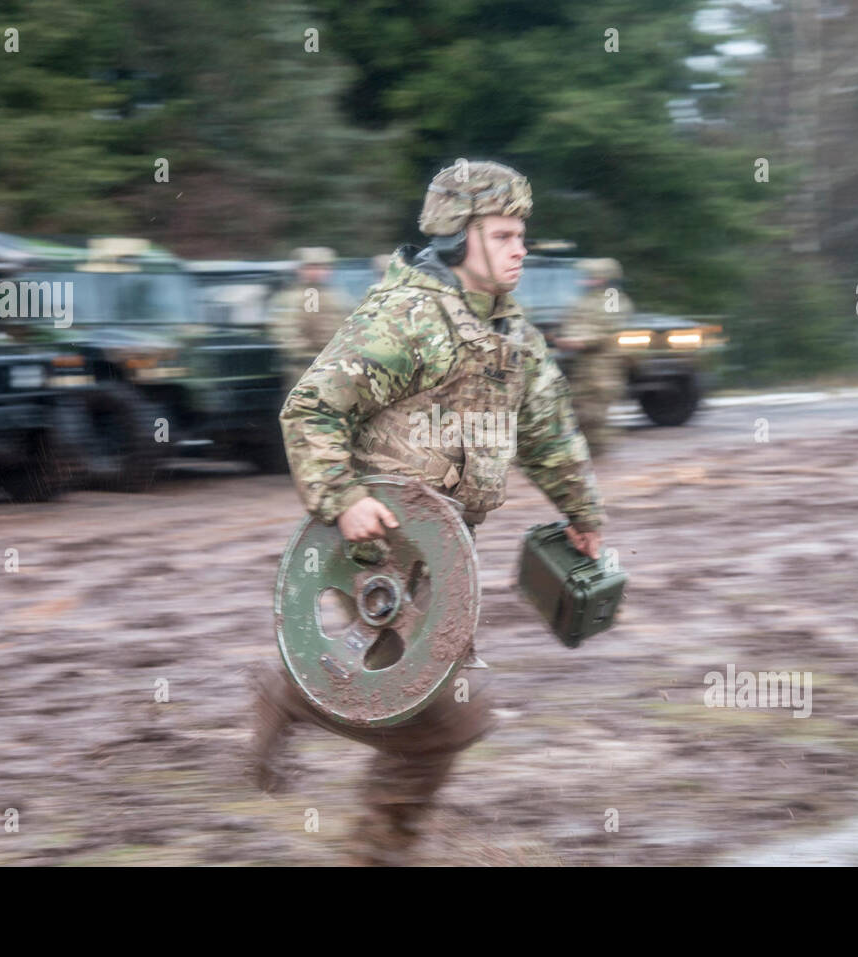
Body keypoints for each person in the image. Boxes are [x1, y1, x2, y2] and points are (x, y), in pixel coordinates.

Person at [247, 159, 606, 865]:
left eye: (521, 234)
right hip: (377, 545)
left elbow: (548, 430)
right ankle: (291, 699)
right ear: (455, 239)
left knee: (440, 710)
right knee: (449, 710)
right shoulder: (407, 318)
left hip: (447, 553)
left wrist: (581, 510)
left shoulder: (514, 336)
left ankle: (378, 843)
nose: (519, 247)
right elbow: (312, 407)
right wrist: (342, 498)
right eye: (503, 234)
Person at [555, 258, 631, 456]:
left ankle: (599, 453)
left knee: (595, 414)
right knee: (578, 410)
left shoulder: (612, 297)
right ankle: (586, 453)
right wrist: (565, 339)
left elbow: (611, 329)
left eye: (591, 276)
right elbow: (571, 323)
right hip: (581, 365)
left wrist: (583, 342)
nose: (585, 280)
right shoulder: (583, 299)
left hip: (602, 366)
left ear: (604, 278)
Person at [268, 246, 353, 393]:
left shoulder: (339, 297)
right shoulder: (293, 298)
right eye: (310, 267)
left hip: (335, 368)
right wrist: (307, 355)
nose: (316, 272)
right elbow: (285, 331)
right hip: (304, 368)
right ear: (299, 270)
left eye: (321, 267)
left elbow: (352, 328)